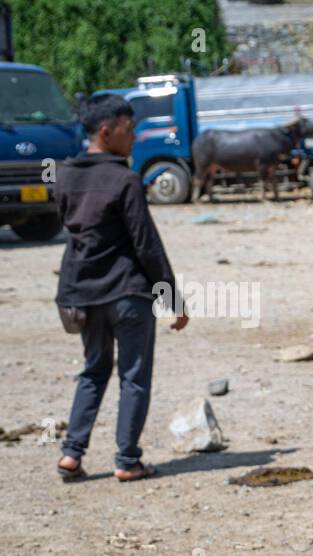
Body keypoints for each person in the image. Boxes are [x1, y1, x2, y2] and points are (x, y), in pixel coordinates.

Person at [55, 93, 186, 483]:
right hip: (127, 295)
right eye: (130, 131)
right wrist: (173, 299)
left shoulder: (63, 174)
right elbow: (147, 245)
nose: (135, 138)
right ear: (106, 132)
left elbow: (75, 233)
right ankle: (127, 460)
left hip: (81, 295)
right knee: (134, 377)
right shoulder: (125, 180)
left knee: (94, 371)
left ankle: (71, 454)